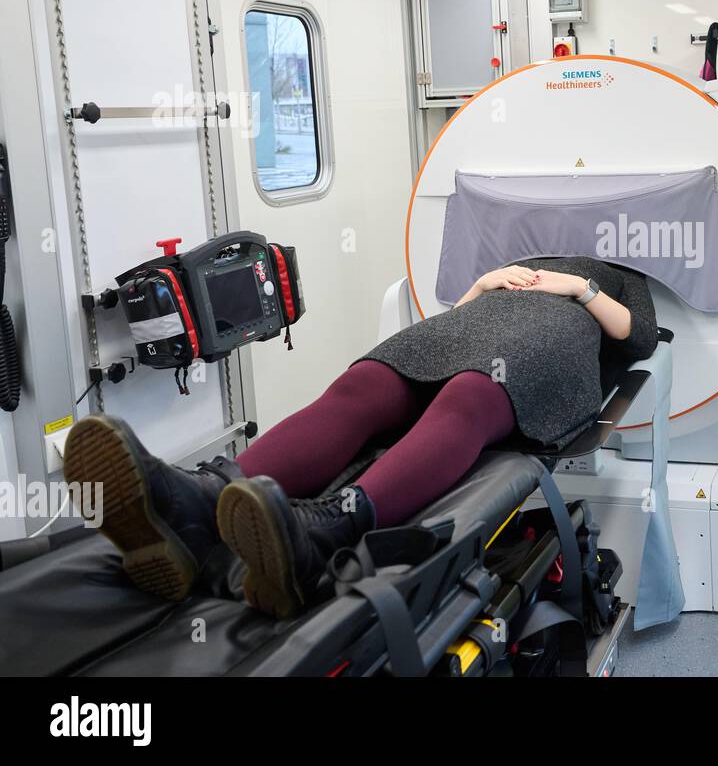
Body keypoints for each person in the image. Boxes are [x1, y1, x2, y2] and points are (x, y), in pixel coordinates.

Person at [62, 256, 657, 619]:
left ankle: (324, 531)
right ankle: (200, 502)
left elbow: (638, 339)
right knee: (365, 384)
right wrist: (482, 287)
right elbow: (455, 314)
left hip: (552, 337)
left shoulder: (615, 277)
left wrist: (575, 289)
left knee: (471, 394)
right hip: (465, 326)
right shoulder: (514, 260)